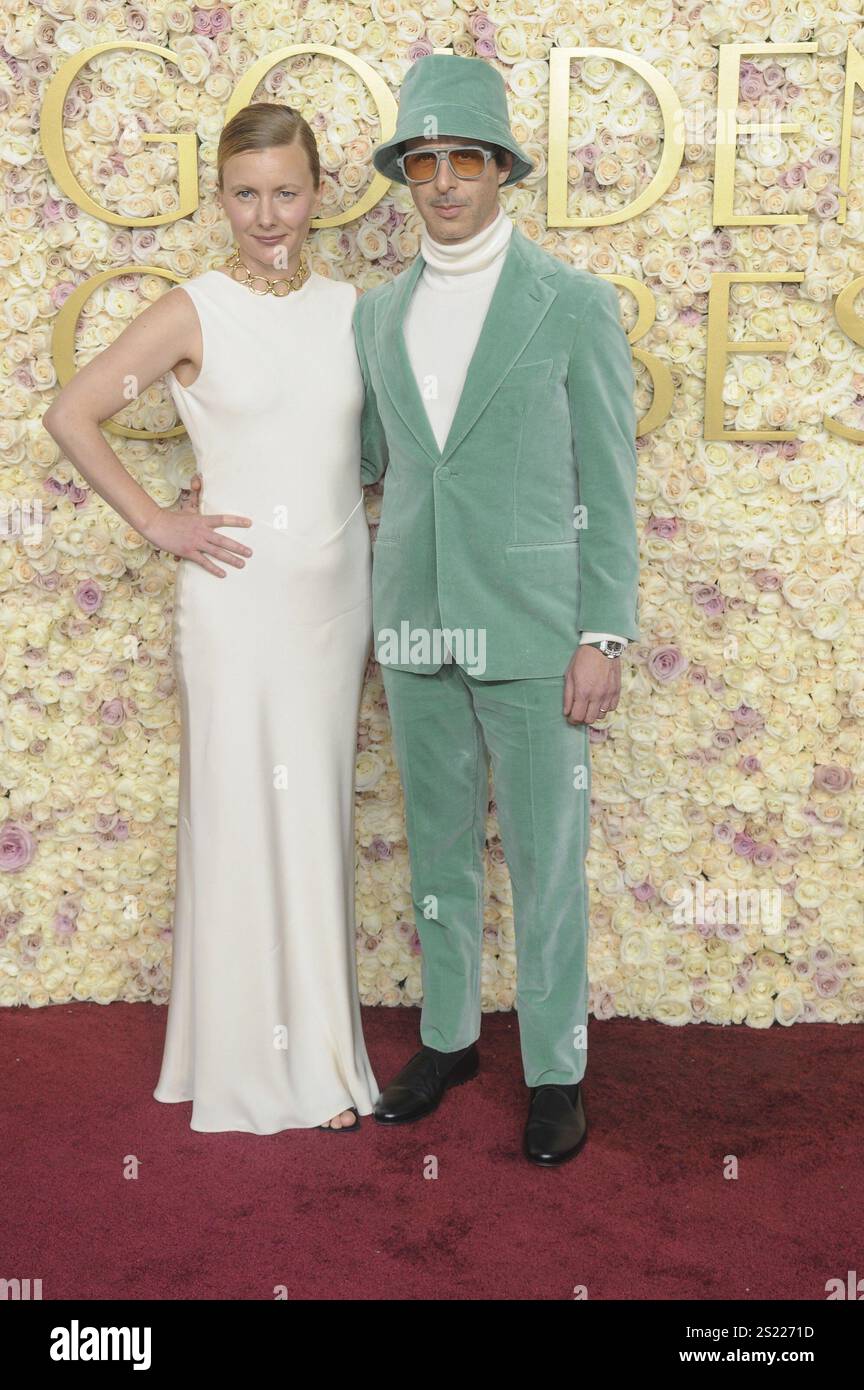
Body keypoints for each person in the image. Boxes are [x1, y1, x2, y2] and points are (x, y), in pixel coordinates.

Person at [42, 102, 379, 1135]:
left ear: (318, 193)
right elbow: (72, 412)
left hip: (334, 602)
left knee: (314, 816)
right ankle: (245, 1066)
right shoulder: (193, 310)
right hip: (235, 606)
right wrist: (157, 520)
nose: (267, 215)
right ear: (220, 197)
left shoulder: (354, 308)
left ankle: (321, 1055)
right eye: (245, 194)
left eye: (286, 192)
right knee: (242, 816)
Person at [351, 55, 640, 1164]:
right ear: (409, 177)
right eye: (424, 162)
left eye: (465, 158)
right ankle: (449, 1035)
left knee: (546, 855)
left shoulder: (571, 304)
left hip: (534, 625)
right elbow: (374, 458)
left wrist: (600, 631)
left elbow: (608, 483)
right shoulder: (379, 315)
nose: (444, 181)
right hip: (416, 616)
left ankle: (557, 1066)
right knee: (435, 849)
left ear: (501, 169)